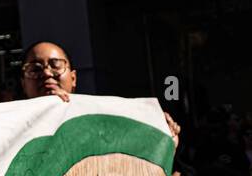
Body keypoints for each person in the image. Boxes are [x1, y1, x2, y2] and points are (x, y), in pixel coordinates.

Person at [18, 41, 181, 148]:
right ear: (24, 84)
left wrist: (160, 135)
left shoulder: (99, 121)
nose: (46, 73)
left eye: (56, 65)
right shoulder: (12, 128)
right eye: (35, 69)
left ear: (73, 78)